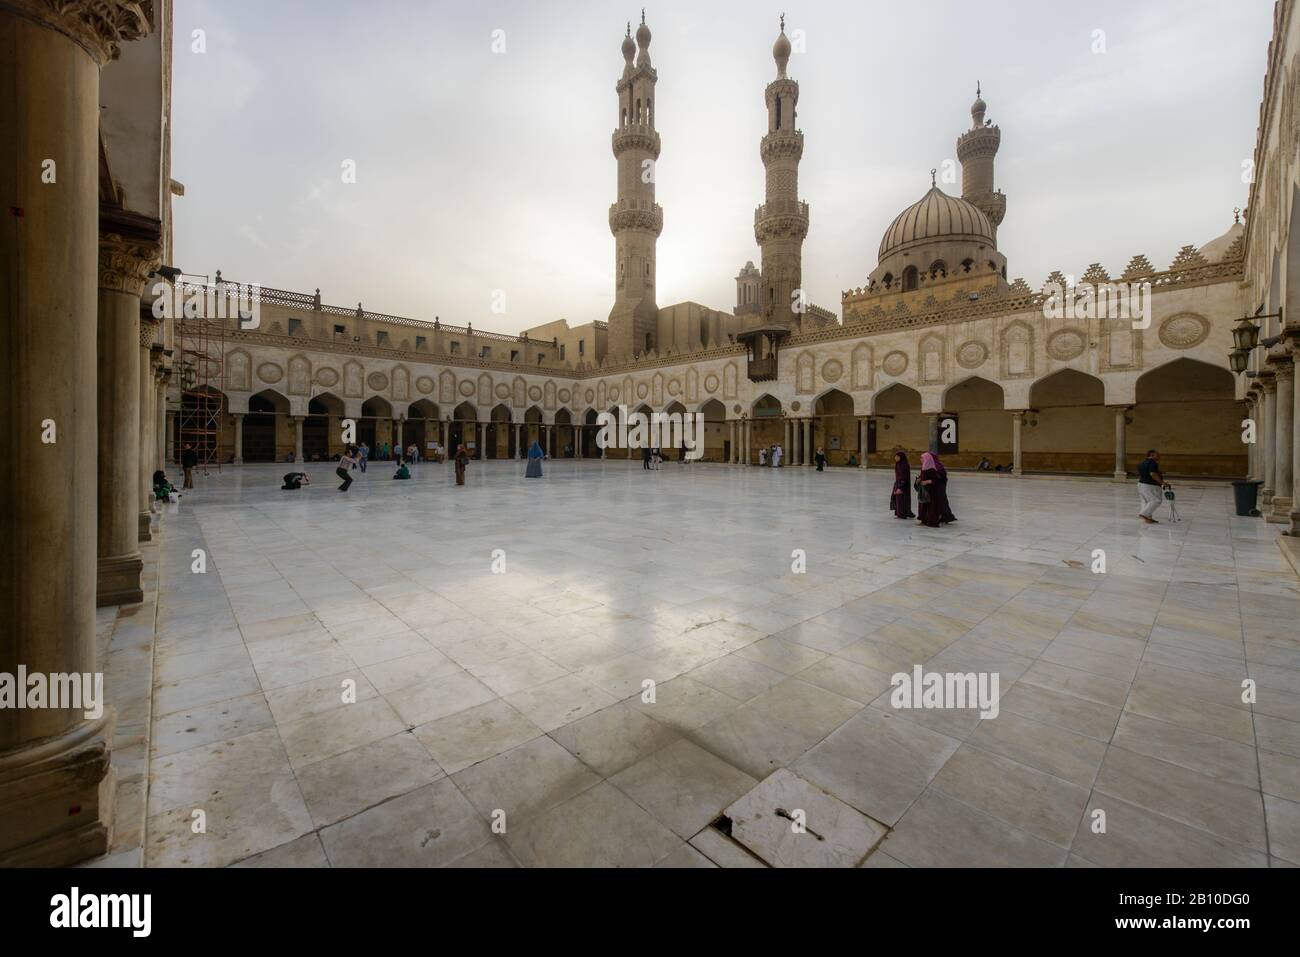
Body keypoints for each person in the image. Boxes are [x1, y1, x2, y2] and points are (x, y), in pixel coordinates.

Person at [1137, 449, 1167, 524]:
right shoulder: (1153, 463)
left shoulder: (1142, 463)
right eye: (1158, 454)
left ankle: (1148, 518)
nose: (1159, 456)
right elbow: (1152, 474)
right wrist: (1162, 482)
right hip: (1150, 485)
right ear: (1152, 455)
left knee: (1146, 501)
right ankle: (1144, 514)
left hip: (1141, 484)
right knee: (1156, 500)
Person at [917, 451, 943, 527]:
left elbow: (937, 479)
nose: (921, 459)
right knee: (924, 506)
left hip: (931, 491)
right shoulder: (923, 468)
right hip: (924, 491)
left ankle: (932, 522)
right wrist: (919, 479)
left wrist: (928, 481)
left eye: (922, 458)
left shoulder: (931, 469)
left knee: (932, 507)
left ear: (927, 459)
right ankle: (924, 520)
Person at [932, 452, 957, 524]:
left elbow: (940, 477)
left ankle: (947, 516)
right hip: (940, 486)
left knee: (941, 501)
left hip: (939, 487)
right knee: (942, 501)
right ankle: (945, 515)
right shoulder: (939, 465)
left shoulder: (936, 466)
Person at [891, 451, 915, 519]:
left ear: (901, 457)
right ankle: (899, 513)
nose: (895, 458)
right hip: (898, 483)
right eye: (895, 456)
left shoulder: (904, 465)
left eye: (897, 456)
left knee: (902, 499)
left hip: (903, 484)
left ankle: (903, 514)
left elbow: (904, 477)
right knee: (898, 499)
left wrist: (900, 487)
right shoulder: (898, 464)